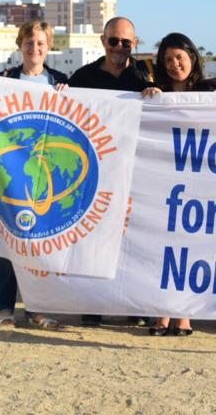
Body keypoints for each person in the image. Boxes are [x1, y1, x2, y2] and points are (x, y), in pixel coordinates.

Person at [68, 16, 152, 326]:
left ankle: (133, 306)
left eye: (126, 42)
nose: (119, 47)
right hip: (95, 173)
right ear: (103, 41)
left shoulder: (144, 77)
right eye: (113, 40)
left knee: (134, 243)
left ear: (135, 43)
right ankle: (92, 305)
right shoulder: (82, 76)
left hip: (136, 172)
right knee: (94, 242)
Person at [141, 32, 216, 336]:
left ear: (192, 58)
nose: (175, 65)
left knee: (192, 248)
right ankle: (161, 312)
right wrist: (149, 97)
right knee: (163, 249)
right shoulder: (152, 93)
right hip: (163, 183)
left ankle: (184, 313)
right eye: (168, 59)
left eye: (180, 58)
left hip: (199, 183)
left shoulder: (210, 91)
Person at [0, 21, 67, 330]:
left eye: (40, 43)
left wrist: (69, 96)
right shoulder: (3, 80)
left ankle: (38, 308)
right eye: (28, 42)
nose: (34, 48)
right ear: (19, 44)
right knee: (9, 243)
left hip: (45, 171)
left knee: (42, 243)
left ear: (48, 46)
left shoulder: (60, 81)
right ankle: (3, 308)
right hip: (11, 172)